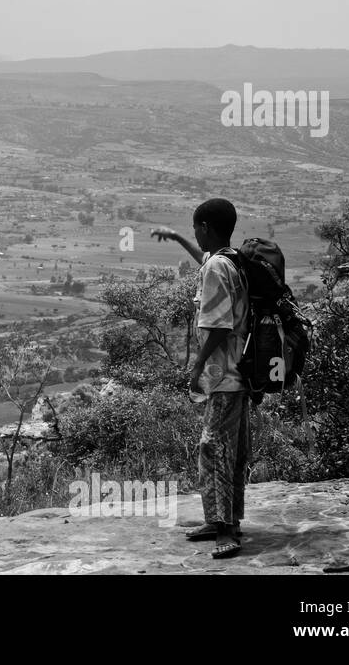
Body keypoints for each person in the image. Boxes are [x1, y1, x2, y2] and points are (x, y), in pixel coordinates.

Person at [150, 198, 250, 559]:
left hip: (224, 376)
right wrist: (177, 237)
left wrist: (196, 370)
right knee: (229, 449)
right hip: (238, 374)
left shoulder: (216, 269)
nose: (194, 233)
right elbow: (203, 259)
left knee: (214, 447)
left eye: (194, 228)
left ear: (206, 226)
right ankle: (222, 520)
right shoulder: (229, 259)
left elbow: (219, 328)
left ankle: (227, 530)